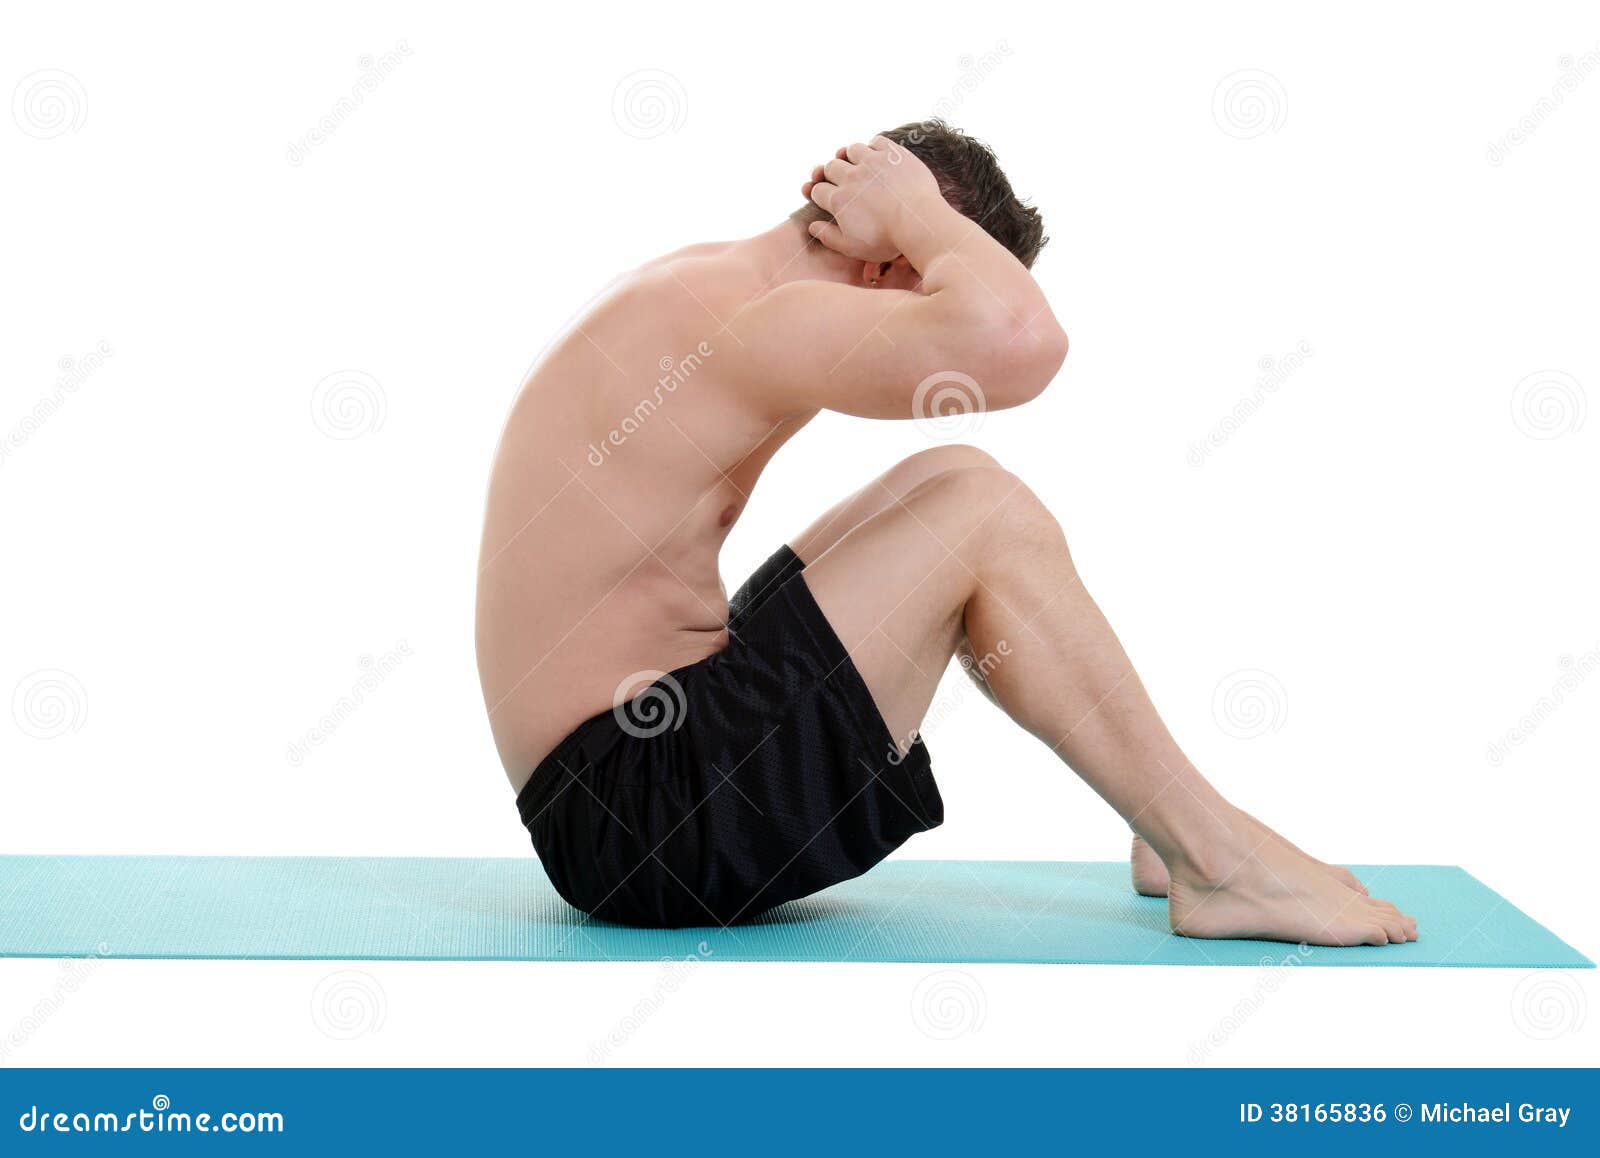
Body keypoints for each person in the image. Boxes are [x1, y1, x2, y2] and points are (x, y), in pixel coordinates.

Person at [475, 120, 1418, 945]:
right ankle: (1217, 861)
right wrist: (927, 220)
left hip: (623, 785)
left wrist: (914, 216)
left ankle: (1170, 828)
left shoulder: (705, 281)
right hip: (640, 824)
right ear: (886, 258)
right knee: (983, 516)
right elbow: (1019, 345)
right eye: (925, 286)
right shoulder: (768, 317)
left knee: (953, 479)